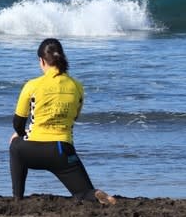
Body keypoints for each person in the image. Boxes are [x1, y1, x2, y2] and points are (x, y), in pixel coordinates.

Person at [8, 38, 115, 204]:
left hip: (31, 151)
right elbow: (74, 117)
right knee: (82, 193)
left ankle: (17, 198)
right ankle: (95, 195)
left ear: (42, 61)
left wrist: (21, 135)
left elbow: (18, 123)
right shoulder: (77, 86)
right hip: (62, 152)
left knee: (15, 146)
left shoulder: (32, 85)